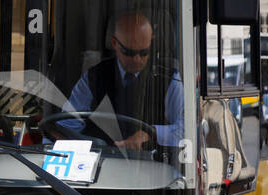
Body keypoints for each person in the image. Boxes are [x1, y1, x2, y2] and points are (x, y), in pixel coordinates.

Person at [65, 10, 183, 150]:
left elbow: (187, 129)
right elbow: (67, 124)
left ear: (151, 40)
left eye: (144, 52)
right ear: (115, 43)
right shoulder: (94, 78)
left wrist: (152, 133)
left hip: (152, 166)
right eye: (129, 53)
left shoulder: (169, 79)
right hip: (103, 161)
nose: (137, 60)